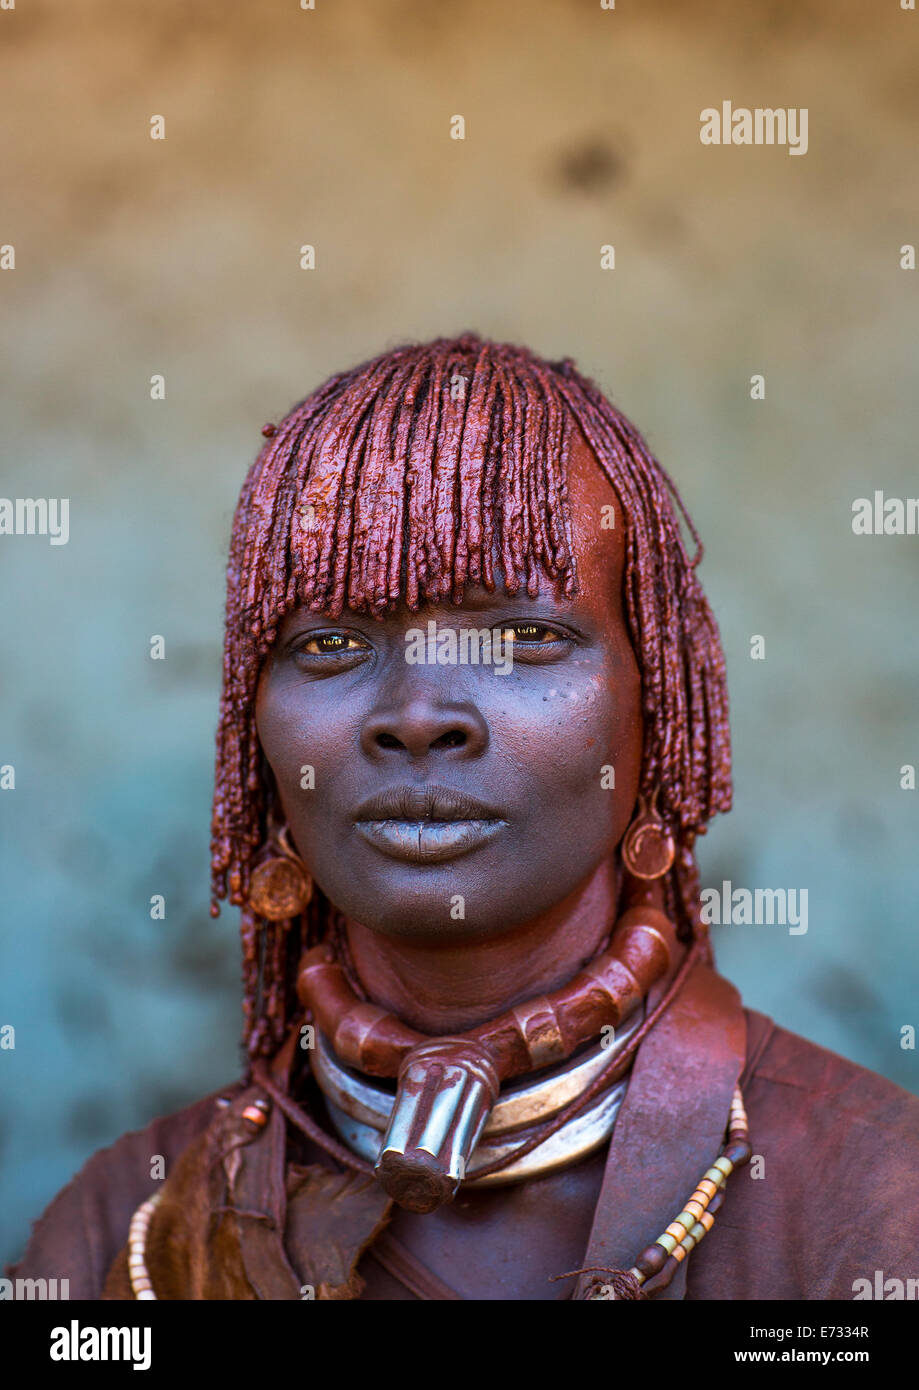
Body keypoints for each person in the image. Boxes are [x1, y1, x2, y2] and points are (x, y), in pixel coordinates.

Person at [9, 334, 919, 1301]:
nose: (416, 716)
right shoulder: (129, 1234)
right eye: (330, 642)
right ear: (254, 732)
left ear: (655, 708)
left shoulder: (867, 1208)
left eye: (525, 637)